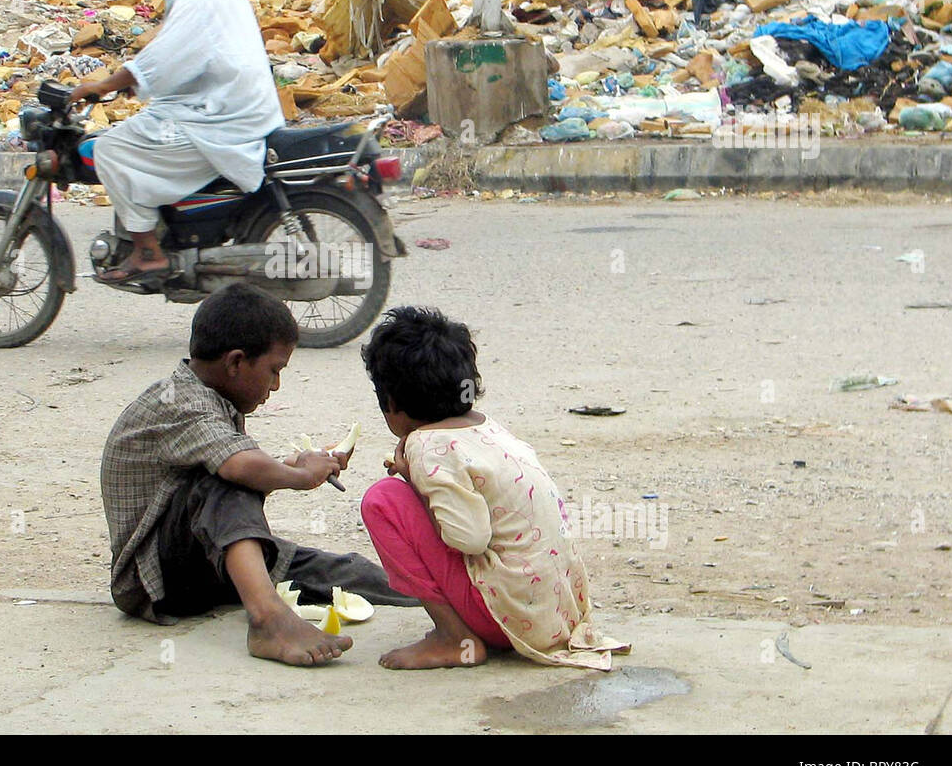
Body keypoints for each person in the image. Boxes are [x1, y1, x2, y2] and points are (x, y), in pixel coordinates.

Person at [101, 283, 417, 666]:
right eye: (274, 370)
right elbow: (241, 467)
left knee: (341, 571)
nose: (276, 385)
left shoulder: (208, 399)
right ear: (235, 362)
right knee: (229, 481)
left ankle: (449, 596)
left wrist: (298, 463)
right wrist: (302, 476)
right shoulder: (181, 402)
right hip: (155, 581)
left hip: (207, 558)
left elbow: (243, 465)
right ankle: (268, 619)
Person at [359, 307, 630, 671]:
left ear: (390, 402)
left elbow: (469, 538)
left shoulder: (426, 444)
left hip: (511, 616)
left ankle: (457, 639)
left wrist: (415, 483)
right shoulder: (487, 428)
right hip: (552, 615)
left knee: (383, 500)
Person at [69, 0, 283, 285]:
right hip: (225, 108)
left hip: (221, 120)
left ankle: (149, 252)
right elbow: (181, 60)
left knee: (110, 149)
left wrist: (103, 85)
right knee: (140, 129)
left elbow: (164, 59)